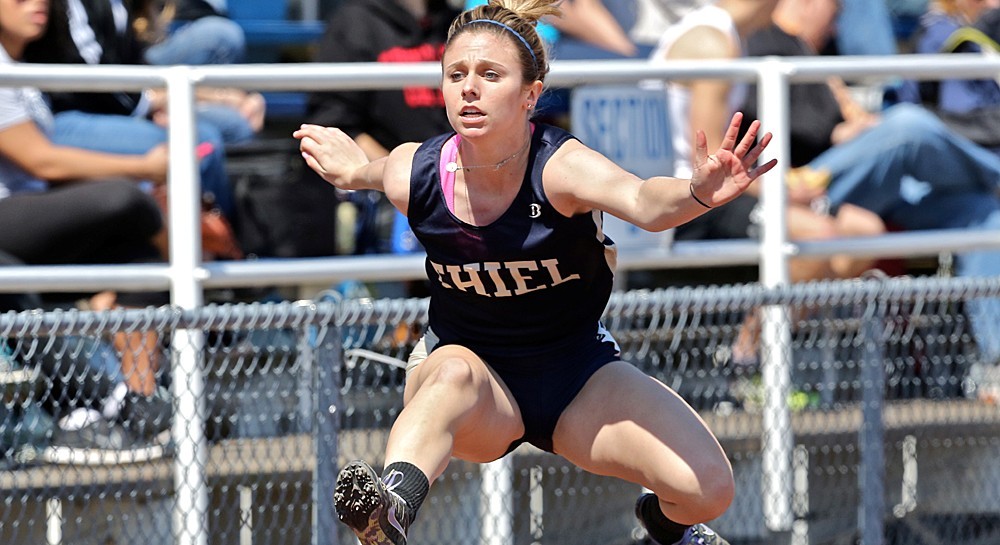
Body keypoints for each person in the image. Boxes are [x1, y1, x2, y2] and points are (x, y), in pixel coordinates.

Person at [294, 1, 777, 544]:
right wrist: (351, 168)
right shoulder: (419, 171)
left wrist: (695, 191)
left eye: (489, 75)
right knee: (451, 371)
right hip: (475, 381)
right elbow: (370, 171)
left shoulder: (560, 167)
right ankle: (392, 509)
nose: (469, 89)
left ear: (531, 94)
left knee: (710, 489)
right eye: (456, 75)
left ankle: (663, 529)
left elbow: (643, 200)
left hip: (575, 375)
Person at [742, 0, 1000, 387]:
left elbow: (845, 124)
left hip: (854, 189)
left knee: (983, 214)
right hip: (795, 188)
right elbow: (780, 131)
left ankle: (995, 365)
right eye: (836, 10)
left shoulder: (819, 51)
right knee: (908, 127)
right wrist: (848, 135)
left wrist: (857, 129)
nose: (838, 24)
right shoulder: (763, 42)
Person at [1, 0, 172, 456]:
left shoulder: (17, 64)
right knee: (125, 199)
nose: (37, 4)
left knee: (141, 261)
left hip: (27, 219)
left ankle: (138, 401)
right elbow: (40, 159)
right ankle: (95, 404)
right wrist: (144, 167)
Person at [650, 0, 885, 287]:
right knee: (816, 236)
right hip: (685, 199)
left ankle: (788, 327)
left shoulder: (734, 37)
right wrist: (781, 189)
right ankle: (766, 333)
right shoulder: (712, 42)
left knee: (864, 231)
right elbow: (708, 168)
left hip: (709, 191)